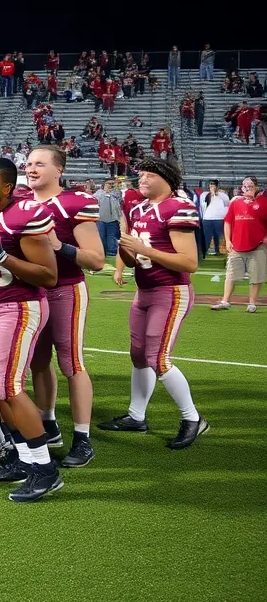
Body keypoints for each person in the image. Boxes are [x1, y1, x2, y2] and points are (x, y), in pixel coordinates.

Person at [0, 158, 63, 502]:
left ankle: (45, 468)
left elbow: (48, 276)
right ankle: (24, 457)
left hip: (22, 306)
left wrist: (3, 257)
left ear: (7, 187)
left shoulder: (25, 214)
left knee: (8, 386)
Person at [103, 157, 207, 449]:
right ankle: (137, 416)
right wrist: (124, 253)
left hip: (171, 291)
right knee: (138, 355)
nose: (142, 180)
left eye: (149, 175)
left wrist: (142, 248)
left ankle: (192, 418)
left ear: (167, 179)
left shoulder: (178, 208)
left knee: (158, 359)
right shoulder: (138, 210)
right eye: (142, 175)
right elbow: (134, 257)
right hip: (144, 291)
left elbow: (189, 262)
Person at [25, 146, 105, 468]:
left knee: (72, 363)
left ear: (59, 170)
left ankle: (83, 439)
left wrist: (60, 246)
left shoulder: (74, 202)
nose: (31, 168)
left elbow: (97, 259)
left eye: (39, 164)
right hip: (32, 292)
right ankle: (48, 423)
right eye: (29, 163)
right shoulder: (21, 202)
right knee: (38, 362)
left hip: (65, 290)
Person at [211, 176, 267, 313]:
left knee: (256, 275)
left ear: (256, 187)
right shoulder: (235, 202)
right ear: (241, 187)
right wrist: (228, 241)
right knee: (231, 274)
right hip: (237, 245)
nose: (247, 187)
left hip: (258, 245)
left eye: (250, 184)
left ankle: (252, 303)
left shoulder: (264, 202)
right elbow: (228, 222)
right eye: (244, 185)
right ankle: (225, 301)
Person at [198, 180, 230, 258]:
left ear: (217, 186)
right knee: (206, 237)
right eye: (210, 185)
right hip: (207, 218)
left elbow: (227, 204)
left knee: (218, 236)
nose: (211, 186)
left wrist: (217, 194)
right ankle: (203, 252)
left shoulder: (223, 195)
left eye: (213, 185)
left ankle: (217, 250)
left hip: (219, 219)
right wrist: (211, 194)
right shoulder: (204, 194)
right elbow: (203, 203)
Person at [94, 179, 122, 257]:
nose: (110, 185)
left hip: (113, 219)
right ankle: (102, 251)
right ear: (104, 184)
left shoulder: (117, 194)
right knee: (101, 236)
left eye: (112, 183)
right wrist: (105, 191)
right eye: (108, 183)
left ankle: (112, 252)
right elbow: (95, 201)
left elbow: (120, 201)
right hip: (100, 219)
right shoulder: (98, 193)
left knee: (112, 236)